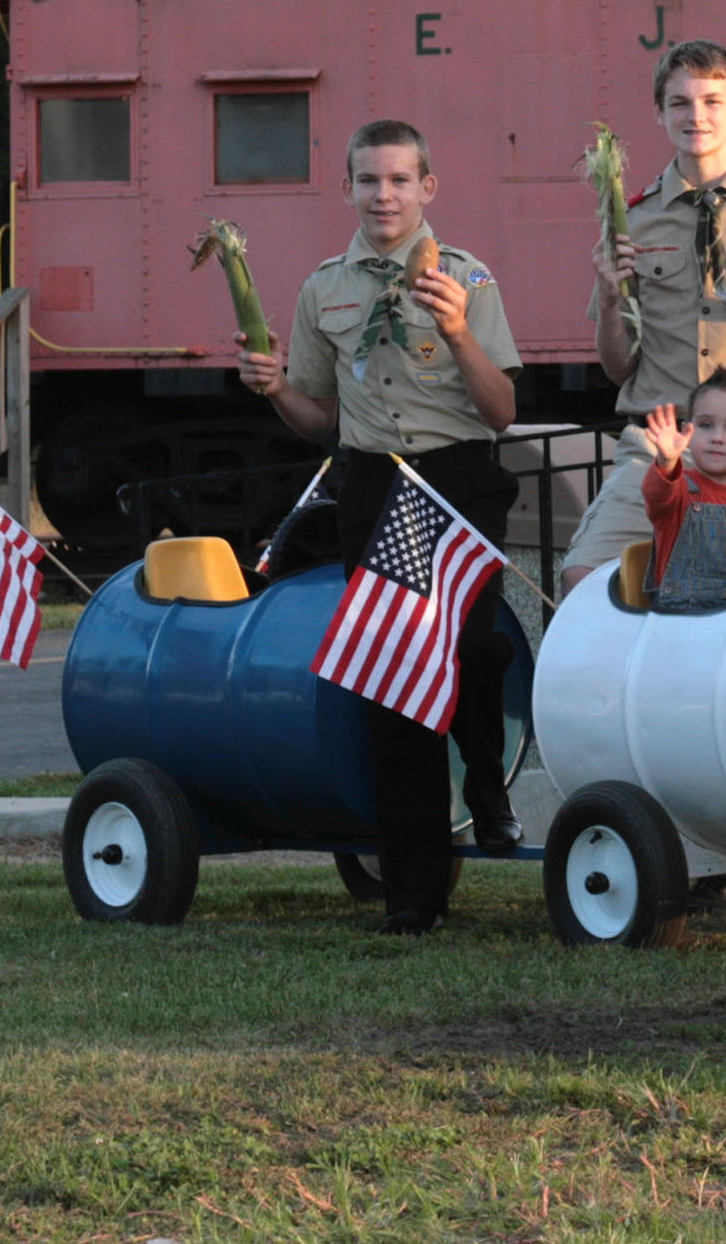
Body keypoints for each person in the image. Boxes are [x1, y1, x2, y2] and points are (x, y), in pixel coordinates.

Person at [235, 119, 523, 935]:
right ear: (349, 189)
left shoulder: (469, 278)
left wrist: (460, 330)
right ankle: (415, 888)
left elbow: (501, 412)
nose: (384, 195)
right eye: (369, 180)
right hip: (373, 485)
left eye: (400, 180)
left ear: (428, 188)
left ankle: (488, 786)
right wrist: (273, 389)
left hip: (459, 478)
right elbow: (317, 416)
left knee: (476, 647)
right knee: (396, 682)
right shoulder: (325, 288)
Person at [559, 39, 726, 593]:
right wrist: (609, 298)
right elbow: (617, 369)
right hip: (656, 447)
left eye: (710, 100)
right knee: (587, 582)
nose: (695, 116)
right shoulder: (631, 217)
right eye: (679, 103)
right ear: (659, 112)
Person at [636, 369, 726, 614]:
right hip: (679, 622)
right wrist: (667, 461)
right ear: (687, 433)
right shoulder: (678, 490)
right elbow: (656, 495)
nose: (717, 438)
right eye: (705, 425)